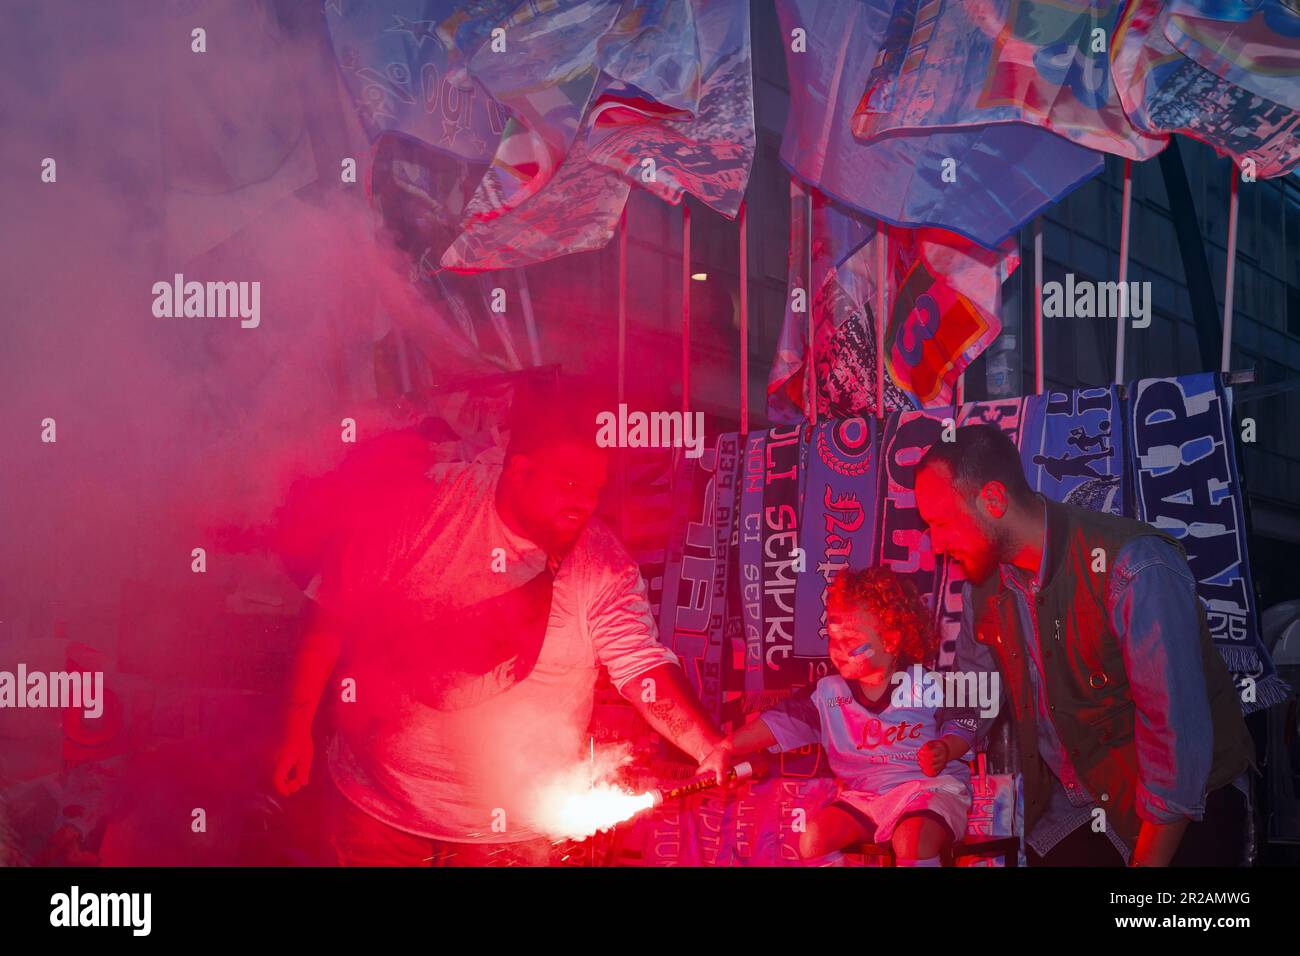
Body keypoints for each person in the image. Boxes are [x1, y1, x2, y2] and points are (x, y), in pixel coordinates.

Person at [271, 376, 724, 865]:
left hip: (508, 840)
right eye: (569, 484)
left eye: (594, 488)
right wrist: (295, 729)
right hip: (376, 815)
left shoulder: (602, 567)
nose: (585, 503)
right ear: (519, 471)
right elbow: (331, 614)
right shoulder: (425, 507)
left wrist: (708, 746)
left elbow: (642, 668)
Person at [913, 424, 1255, 867]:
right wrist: (949, 741)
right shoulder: (983, 588)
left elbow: (1176, 742)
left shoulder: (1134, 565)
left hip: (1187, 810)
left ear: (994, 500)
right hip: (1077, 806)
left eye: (941, 523)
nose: (937, 544)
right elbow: (971, 693)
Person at [699, 567, 972, 866]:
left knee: (911, 839)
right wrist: (727, 748)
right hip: (865, 799)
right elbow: (776, 723)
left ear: (891, 641)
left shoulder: (926, 685)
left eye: (851, 640)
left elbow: (965, 722)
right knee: (813, 838)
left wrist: (946, 748)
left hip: (927, 794)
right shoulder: (828, 695)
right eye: (833, 637)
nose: (838, 650)